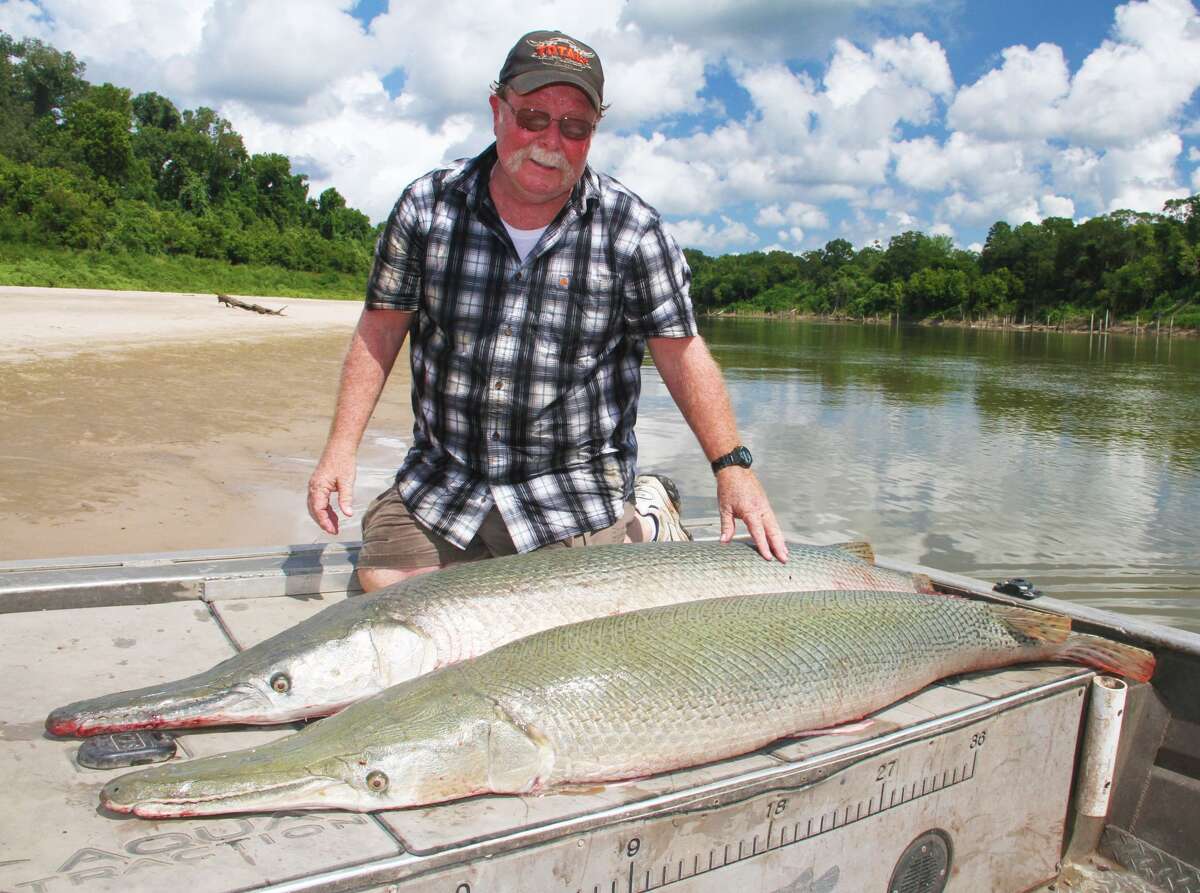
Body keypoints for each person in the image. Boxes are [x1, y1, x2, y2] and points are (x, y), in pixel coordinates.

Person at [307, 29, 788, 592]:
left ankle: (647, 517)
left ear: (592, 133)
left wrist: (733, 466)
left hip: (569, 489)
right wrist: (340, 448)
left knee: (576, 608)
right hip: (448, 477)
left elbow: (681, 353)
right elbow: (381, 327)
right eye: (533, 118)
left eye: (574, 127)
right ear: (497, 111)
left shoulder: (633, 231)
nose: (550, 140)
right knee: (387, 581)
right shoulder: (428, 208)